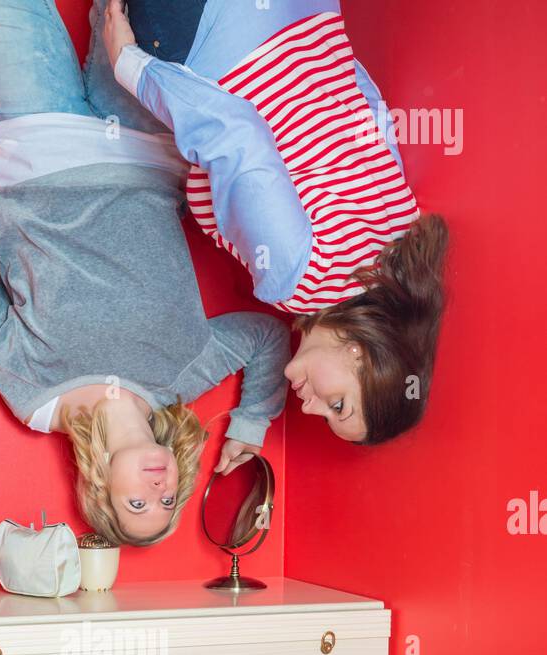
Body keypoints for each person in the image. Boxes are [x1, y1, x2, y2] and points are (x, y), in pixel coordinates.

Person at [0, 0, 290, 545]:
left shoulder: (36, 399)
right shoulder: (181, 380)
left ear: (98, 485)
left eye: (137, 503)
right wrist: (252, 423)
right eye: (168, 500)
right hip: (142, 138)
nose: (158, 488)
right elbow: (268, 337)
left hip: (32, 141)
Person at [104, 0, 449, 445]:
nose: (309, 406)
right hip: (209, 28)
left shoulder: (399, 235)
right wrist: (133, 68)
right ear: (359, 354)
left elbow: (364, 96)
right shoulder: (302, 281)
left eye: (324, 417)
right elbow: (236, 134)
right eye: (337, 404)